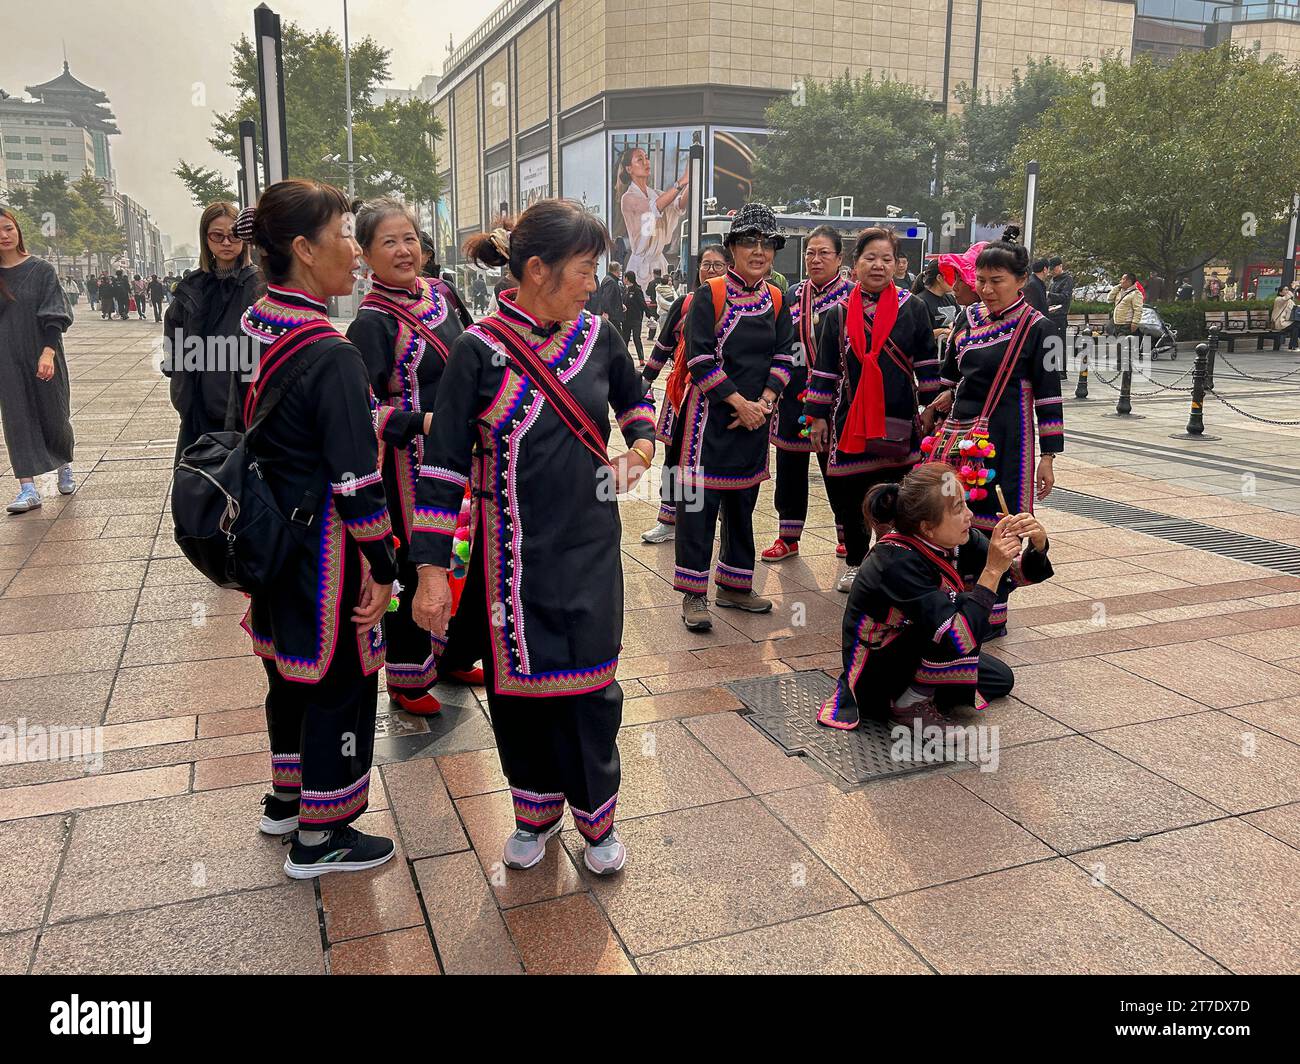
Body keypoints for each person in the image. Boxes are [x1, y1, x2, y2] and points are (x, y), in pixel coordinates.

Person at [410, 199, 657, 876]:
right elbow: (442, 467)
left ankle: (598, 823)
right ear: (539, 269)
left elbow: (639, 408)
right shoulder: (477, 351)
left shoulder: (601, 336)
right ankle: (533, 814)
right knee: (517, 691)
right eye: (584, 267)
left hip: (589, 548)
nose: (592, 280)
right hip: (508, 558)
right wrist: (432, 571)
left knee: (590, 689)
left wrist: (638, 451)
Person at [235, 179, 400, 878]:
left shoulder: (255, 326)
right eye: (342, 237)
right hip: (323, 552)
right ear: (302, 249)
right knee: (337, 682)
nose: (354, 255)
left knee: (288, 676)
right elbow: (356, 481)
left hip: (268, 536)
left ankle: (287, 799)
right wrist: (384, 566)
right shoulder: (330, 354)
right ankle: (321, 836)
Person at [345, 197, 484, 716]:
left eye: (410, 239)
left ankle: (453, 653)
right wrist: (425, 422)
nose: (404, 251)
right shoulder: (372, 323)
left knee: (461, 555)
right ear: (365, 255)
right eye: (389, 242)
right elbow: (364, 411)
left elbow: (478, 353)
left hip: (461, 454)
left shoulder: (444, 294)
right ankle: (407, 676)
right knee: (415, 560)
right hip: (409, 465)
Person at [816, 464, 1053, 731]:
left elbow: (1011, 577)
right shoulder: (895, 561)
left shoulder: (958, 540)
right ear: (927, 527)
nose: (970, 515)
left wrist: (1038, 545)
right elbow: (957, 633)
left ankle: (923, 687)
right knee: (960, 615)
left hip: (916, 648)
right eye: (958, 509)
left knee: (999, 679)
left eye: (965, 504)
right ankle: (907, 704)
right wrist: (991, 569)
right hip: (875, 671)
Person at [933, 227, 1064, 635]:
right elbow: (953, 375)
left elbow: (1048, 395)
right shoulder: (967, 318)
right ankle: (956, 602)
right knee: (953, 517)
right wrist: (939, 401)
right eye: (981, 281)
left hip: (1009, 440)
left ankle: (990, 612)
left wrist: (1048, 456)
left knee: (997, 521)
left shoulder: (1039, 329)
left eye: (997, 281)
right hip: (959, 433)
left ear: (1021, 280)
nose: (986, 290)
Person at [672, 202, 795, 631]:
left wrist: (762, 403)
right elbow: (700, 359)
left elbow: (786, 355)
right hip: (707, 422)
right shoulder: (711, 293)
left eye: (766, 244)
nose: (758, 251)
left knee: (743, 505)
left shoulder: (778, 298)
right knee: (698, 509)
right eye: (749, 242)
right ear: (733, 247)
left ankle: (736, 585)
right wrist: (738, 403)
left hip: (754, 422)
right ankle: (693, 593)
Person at [804, 226, 946, 592]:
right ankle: (855, 560)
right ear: (855, 264)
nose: (878, 266)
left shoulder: (912, 308)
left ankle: (899, 557)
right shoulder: (837, 314)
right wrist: (816, 417)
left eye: (887, 259)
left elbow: (927, 362)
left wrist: (932, 407)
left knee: (901, 495)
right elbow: (824, 369)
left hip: (899, 418)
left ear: (898, 265)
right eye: (870, 258)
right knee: (849, 494)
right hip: (848, 420)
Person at [761, 224, 853, 563]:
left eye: (823, 253)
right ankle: (789, 537)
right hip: (793, 397)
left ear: (839, 258)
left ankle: (847, 532)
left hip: (835, 399)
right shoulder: (793, 295)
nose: (815, 259)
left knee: (837, 468)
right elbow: (779, 343)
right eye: (810, 253)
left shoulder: (851, 296)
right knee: (790, 468)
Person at [640, 244, 730, 544]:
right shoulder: (685, 303)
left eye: (718, 265)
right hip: (681, 393)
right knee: (673, 457)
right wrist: (645, 381)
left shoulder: (740, 303)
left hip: (721, 396)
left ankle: (717, 518)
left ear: (729, 268)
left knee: (717, 459)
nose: (711, 271)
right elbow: (664, 346)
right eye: (706, 265)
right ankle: (668, 518)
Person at [162, 201, 263, 462]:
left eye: (233, 235)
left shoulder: (259, 284)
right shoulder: (192, 285)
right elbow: (174, 329)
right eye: (217, 236)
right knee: (201, 479)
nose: (226, 243)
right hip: (199, 399)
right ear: (206, 239)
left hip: (247, 399)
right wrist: (177, 368)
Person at [0, 207, 76, 511]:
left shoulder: (41, 270)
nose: (3, 236)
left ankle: (64, 465)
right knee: (16, 419)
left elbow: (55, 313)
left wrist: (48, 352)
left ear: (18, 231)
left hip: (43, 351)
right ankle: (28, 488)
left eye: (8, 228)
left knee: (55, 415)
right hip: (6, 357)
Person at [616, 145, 688, 283]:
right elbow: (654, 207)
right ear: (629, 169)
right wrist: (681, 181)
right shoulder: (628, 198)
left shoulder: (656, 194)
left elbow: (678, 206)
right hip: (640, 267)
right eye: (640, 159)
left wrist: (692, 180)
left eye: (647, 158)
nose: (646, 162)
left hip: (659, 262)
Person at [621, 269, 648, 365]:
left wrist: (649, 315)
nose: (623, 279)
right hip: (626, 319)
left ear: (627, 278)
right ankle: (624, 358)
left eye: (624, 277)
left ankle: (641, 359)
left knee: (637, 338)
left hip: (636, 319)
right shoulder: (625, 290)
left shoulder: (637, 290)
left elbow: (642, 304)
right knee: (625, 339)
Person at [1107, 272, 1144, 338]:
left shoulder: (1136, 294)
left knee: (1121, 344)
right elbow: (1109, 299)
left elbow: (1138, 309)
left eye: (1122, 279)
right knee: (1118, 344)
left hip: (1126, 324)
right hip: (1117, 323)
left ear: (1129, 281)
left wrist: (1135, 323)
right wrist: (1117, 287)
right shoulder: (1119, 291)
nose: (1120, 281)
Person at [1046, 255, 1074, 335]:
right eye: (1050, 269)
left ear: (1060, 266)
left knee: (1059, 343)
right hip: (1050, 314)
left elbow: (1065, 297)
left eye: (1053, 269)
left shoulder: (1067, 279)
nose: (1052, 271)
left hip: (1060, 316)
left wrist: (1049, 295)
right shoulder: (1053, 280)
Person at [597, 259, 626, 334]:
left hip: (613, 315)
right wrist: (606, 312)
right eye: (620, 270)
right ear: (617, 270)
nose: (620, 272)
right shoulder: (611, 282)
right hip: (612, 316)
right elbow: (606, 298)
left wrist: (620, 305)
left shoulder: (610, 280)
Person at [1271, 284, 1298, 351]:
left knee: (1297, 327)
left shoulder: (1289, 301)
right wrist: (1293, 288)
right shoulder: (1278, 299)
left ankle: (1292, 346)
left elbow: (1294, 308)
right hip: (1279, 322)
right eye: (1285, 290)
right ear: (1280, 292)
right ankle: (1293, 346)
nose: (1287, 291)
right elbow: (1286, 298)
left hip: (1287, 322)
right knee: (1296, 326)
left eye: (1288, 290)